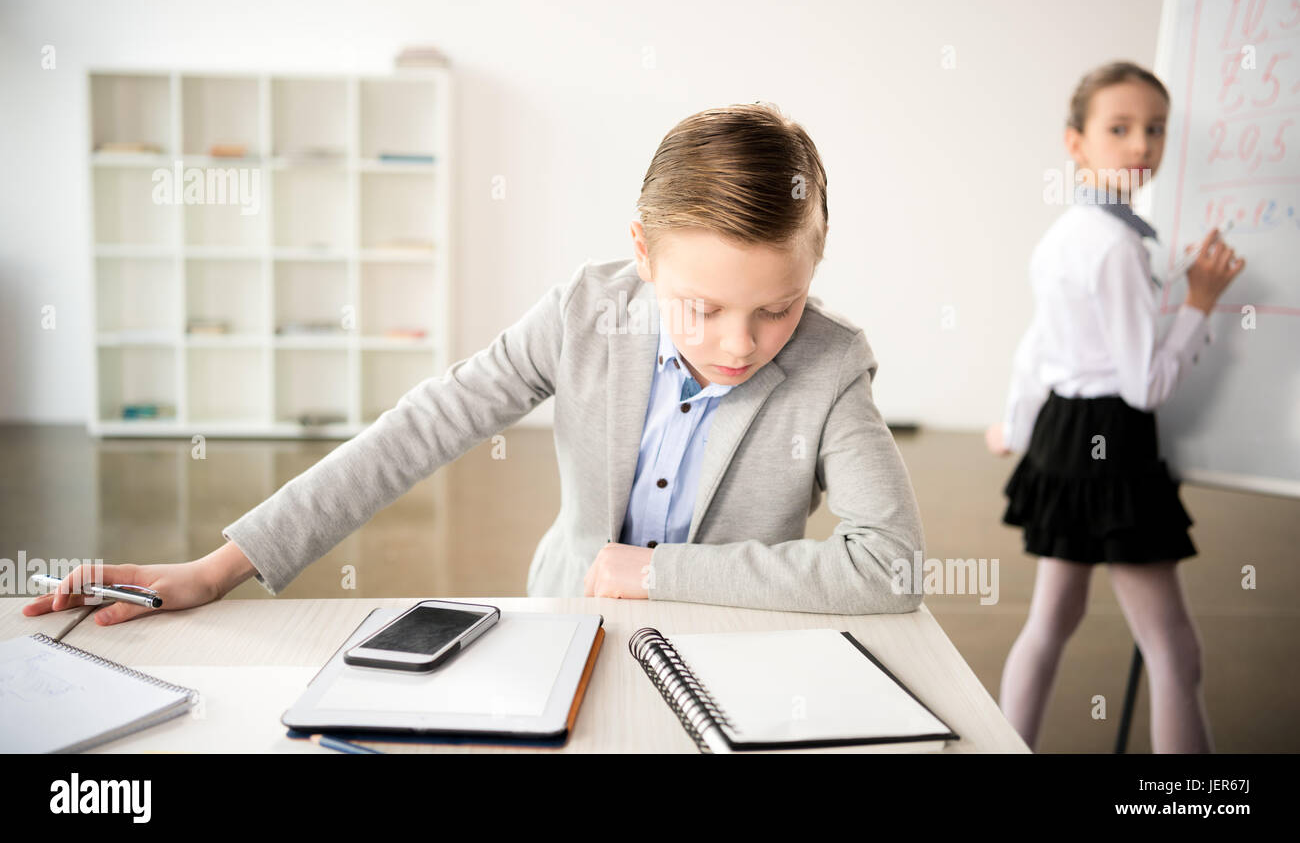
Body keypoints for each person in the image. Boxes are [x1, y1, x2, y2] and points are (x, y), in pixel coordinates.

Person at [27, 102, 926, 623]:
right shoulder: (583, 313)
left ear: (817, 262)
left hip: (732, 646)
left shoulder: (831, 365)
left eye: (778, 306)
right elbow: (419, 429)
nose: (740, 343)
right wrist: (216, 566)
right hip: (564, 623)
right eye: (701, 307)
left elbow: (889, 565)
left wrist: (657, 573)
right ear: (643, 254)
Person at [987, 62, 1245, 752]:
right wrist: (1199, 303)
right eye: (1120, 128)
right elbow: (1144, 387)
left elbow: (1036, 347)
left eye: (1154, 130)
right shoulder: (1117, 246)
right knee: (1173, 649)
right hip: (1112, 439)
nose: (1142, 146)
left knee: (1050, 620)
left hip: (1063, 433)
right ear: (1077, 143)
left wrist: (1015, 423)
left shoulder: (1065, 234)